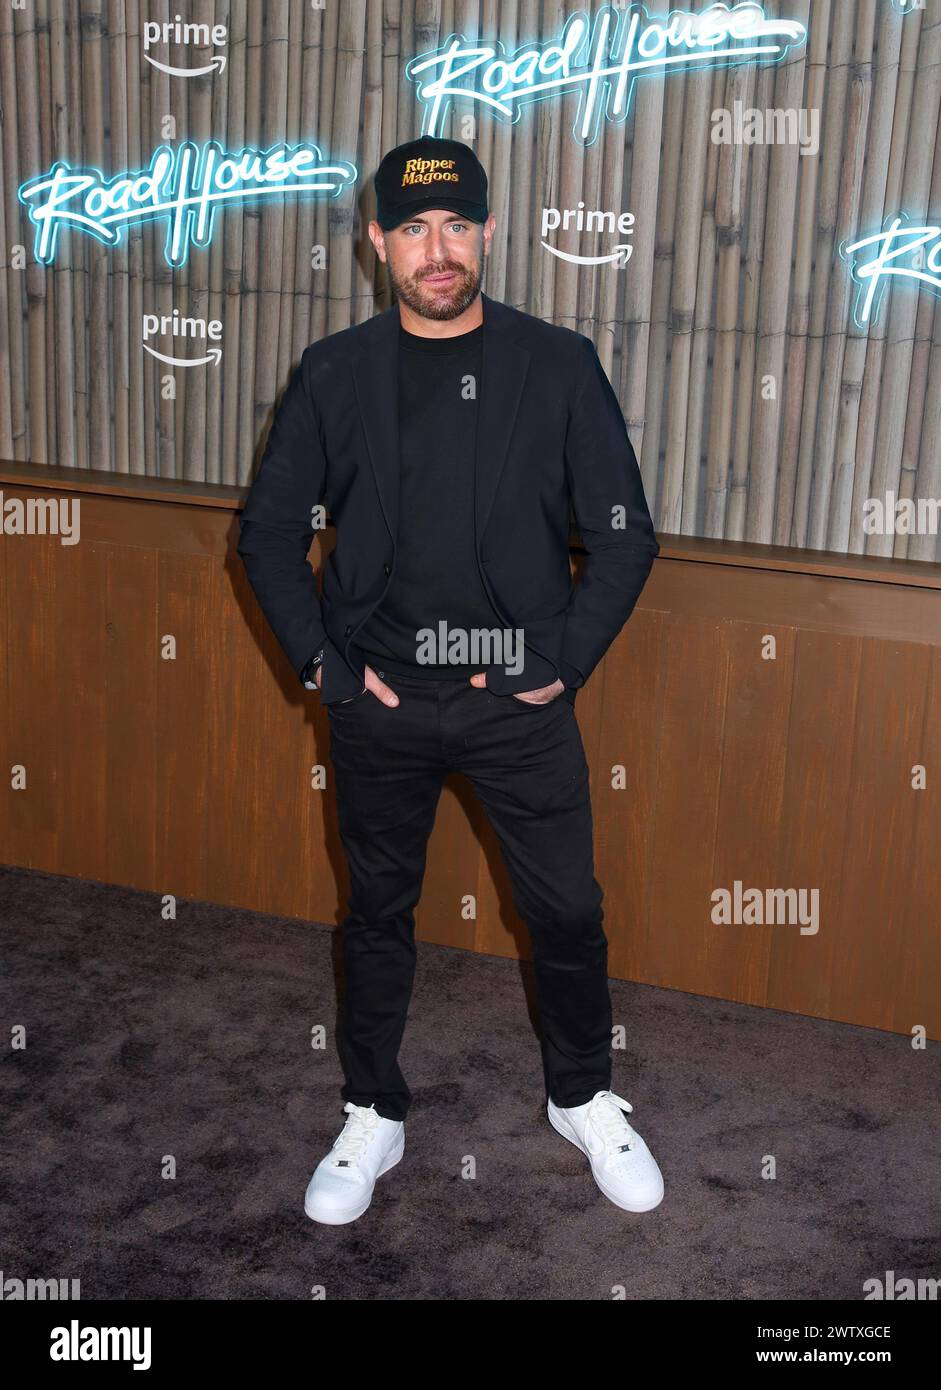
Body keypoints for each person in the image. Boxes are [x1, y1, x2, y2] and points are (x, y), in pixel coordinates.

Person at [237, 135, 664, 1225]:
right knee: (376, 909)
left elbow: (622, 537)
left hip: (515, 701)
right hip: (378, 700)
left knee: (565, 909)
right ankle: (373, 1108)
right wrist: (328, 671)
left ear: (485, 233)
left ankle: (581, 1092)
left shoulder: (557, 364)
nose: (439, 249)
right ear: (379, 244)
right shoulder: (336, 371)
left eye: (458, 225)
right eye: (415, 228)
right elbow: (269, 531)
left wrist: (557, 665)